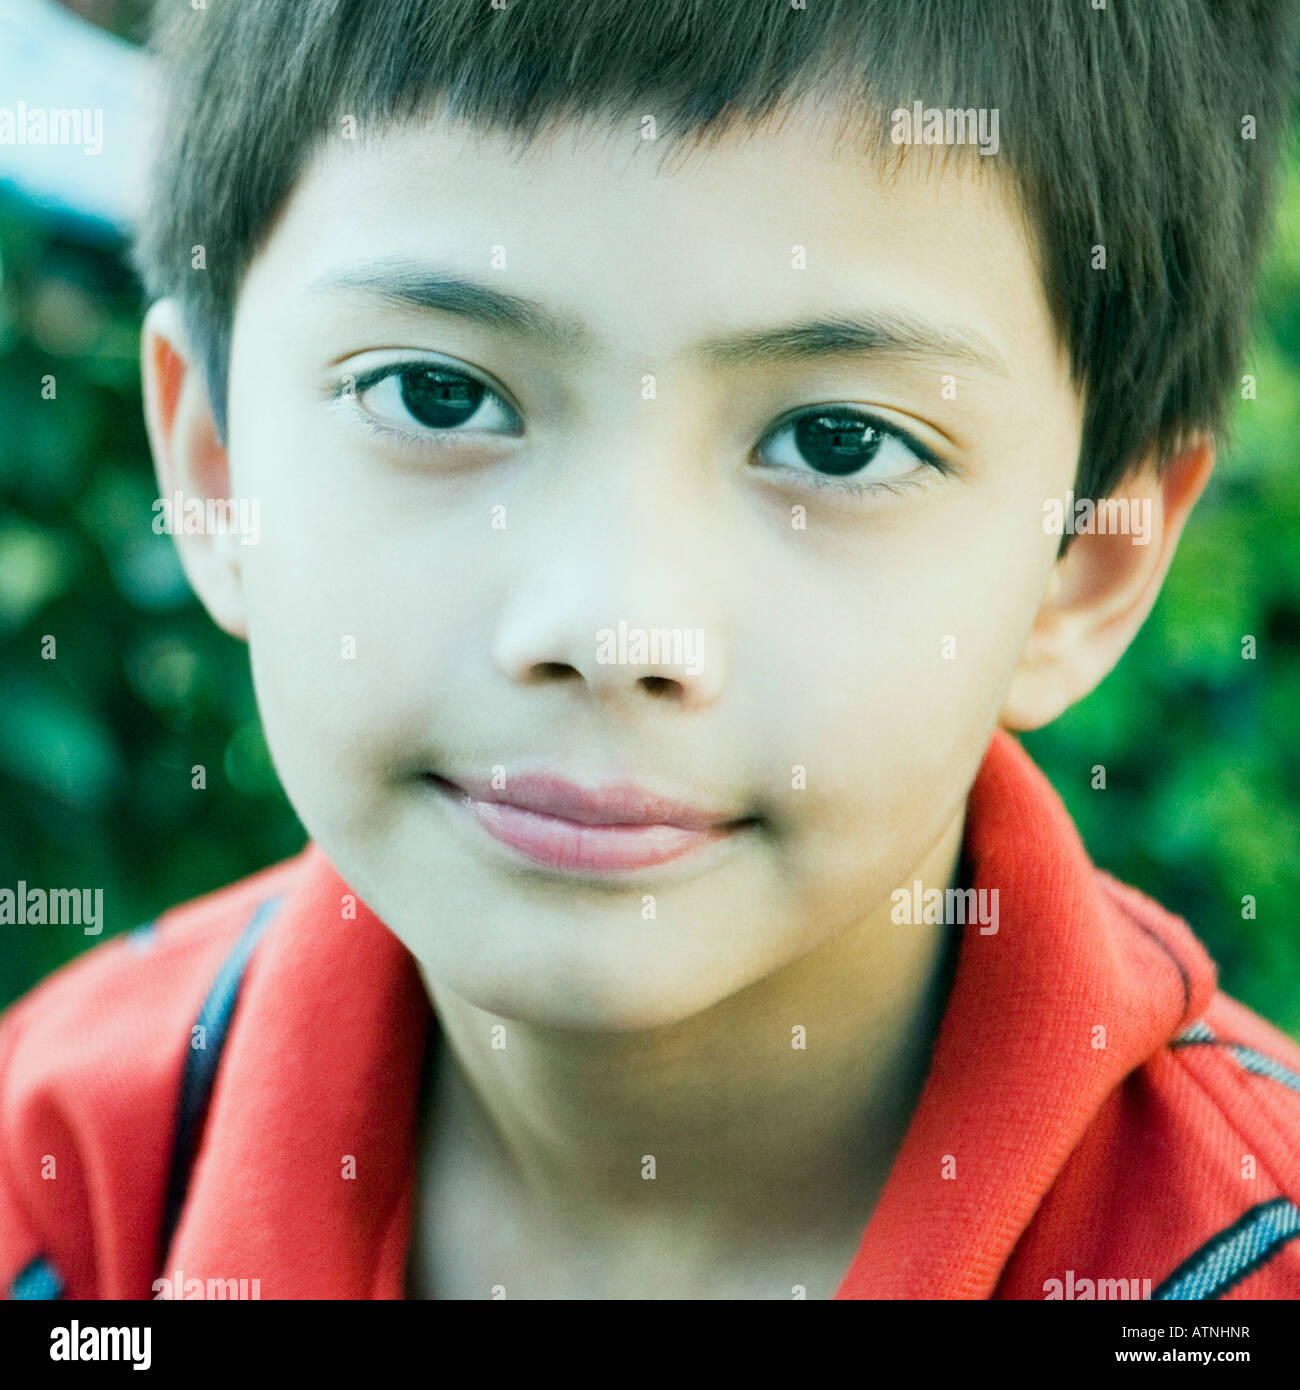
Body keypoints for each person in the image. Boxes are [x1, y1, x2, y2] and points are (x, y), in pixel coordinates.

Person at [3, 0, 1300, 1300]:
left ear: (1088, 560)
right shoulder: (58, 1199)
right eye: (437, 393)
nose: (612, 627)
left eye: (839, 442)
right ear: (217, 472)